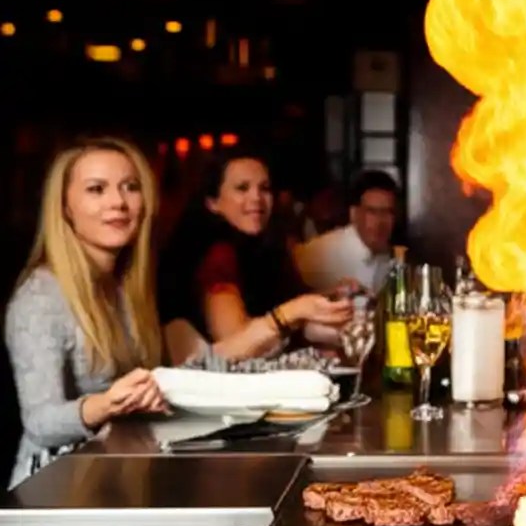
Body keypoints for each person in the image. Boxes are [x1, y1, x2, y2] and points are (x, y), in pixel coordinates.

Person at [5, 137, 167, 488]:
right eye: (97, 189)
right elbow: (41, 422)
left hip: (104, 479)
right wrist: (107, 404)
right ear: (64, 208)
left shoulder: (124, 286)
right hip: (47, 489)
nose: (118, 203)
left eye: (130, 187)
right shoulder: (41, 296)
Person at [158, 150, 352, 363]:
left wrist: (329, 296)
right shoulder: (218, 254)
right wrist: (296, 314)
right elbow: (235, 338)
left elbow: (276, 308)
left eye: (264, 188)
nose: (256, 198)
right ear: (212, 202)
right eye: (242, 188)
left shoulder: (265, 248)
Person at [294, 170, 399, 294]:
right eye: (372, 212)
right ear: (353, 214)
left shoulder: (390, 257)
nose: (381, 222)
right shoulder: (323, 252)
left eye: (388, 212)